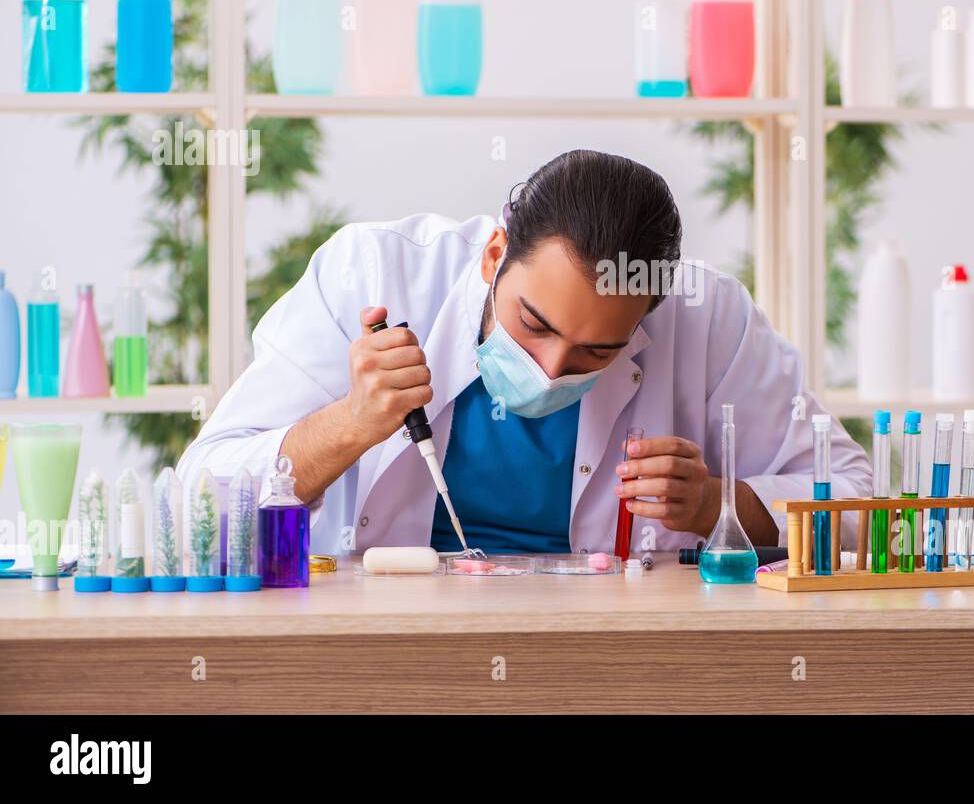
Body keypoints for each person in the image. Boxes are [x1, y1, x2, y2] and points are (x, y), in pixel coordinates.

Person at [178, 149, 871, 557]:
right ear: (494, 254)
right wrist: (352, 422)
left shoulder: (709, 318)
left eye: (594, 351)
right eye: (533, 323)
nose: (547, 369)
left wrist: (722, 505)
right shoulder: (372, 272)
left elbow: (862, 510)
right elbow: (194, 505)